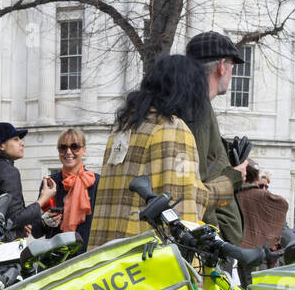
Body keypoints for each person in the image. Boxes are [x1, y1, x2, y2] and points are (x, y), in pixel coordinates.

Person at [89, 54, 215, 248]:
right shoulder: (173, 128)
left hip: (108, 260)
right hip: (146, 264)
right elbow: (182, 202)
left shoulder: (122, 129)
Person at [186, 31, 251, 244]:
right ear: (222, 66)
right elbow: (196, 182)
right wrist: (217, 236)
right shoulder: (198, 109)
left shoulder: (196, 106)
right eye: (232, 65)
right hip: (212, 243)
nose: (231, 72)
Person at [0, 121, 55, 229]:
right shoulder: (8, 171)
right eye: (16, 139)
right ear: (1, 146)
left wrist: (19, 229)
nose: (22, 143)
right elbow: (16, 218)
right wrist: (43, 199)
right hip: (1, 245)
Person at [33, 127, 99, 245]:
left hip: (88, 255)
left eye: (75, 147)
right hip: (58, 256)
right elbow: (35, 231)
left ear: (84, 150)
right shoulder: (49, 183)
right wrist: (45, 221)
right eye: (63, 147)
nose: (68, 152)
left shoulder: (96, 182)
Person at [236, 162, 289, 251]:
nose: (264, 189)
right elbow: (283, 203)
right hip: (245, 250)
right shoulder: (238, 195)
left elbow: (283, 227)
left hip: (260, 250)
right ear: (256, 179)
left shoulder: (268, 201)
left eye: (266, 187)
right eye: (261, 185)